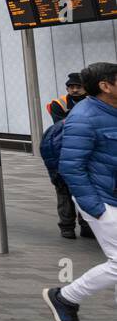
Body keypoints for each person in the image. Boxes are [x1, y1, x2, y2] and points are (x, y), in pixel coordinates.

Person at [44, 62, 117, 321]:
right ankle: (65, 297)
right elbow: (71, 167)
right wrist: (94, 208)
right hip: (101, 199)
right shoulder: (83, 118)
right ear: (105, 86)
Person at [47, 73, 93, 240]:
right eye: (71, 87)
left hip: (86, 154)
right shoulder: (59, 104)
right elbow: (64, 126)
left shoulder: (93, 102)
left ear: (85, 87)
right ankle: (67, 227)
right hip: (62, 152)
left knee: (84, 191)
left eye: (78, 86)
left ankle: (87, 226)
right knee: (64, 190)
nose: (74, 90)